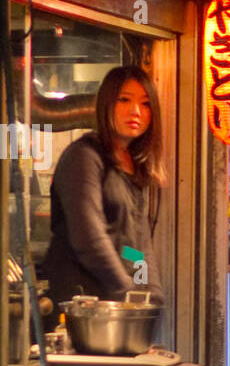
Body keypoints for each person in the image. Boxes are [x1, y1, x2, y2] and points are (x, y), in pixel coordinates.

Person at [41, 65, 166, 326]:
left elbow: (135, 249)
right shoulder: (84, 156)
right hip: (77, 306)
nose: (136, 111)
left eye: (145, 104)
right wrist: (127, 295)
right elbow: (89, 237)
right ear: (107, 103)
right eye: (125, 100)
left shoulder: (135, 167)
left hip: (115, 311)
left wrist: (150, 294)